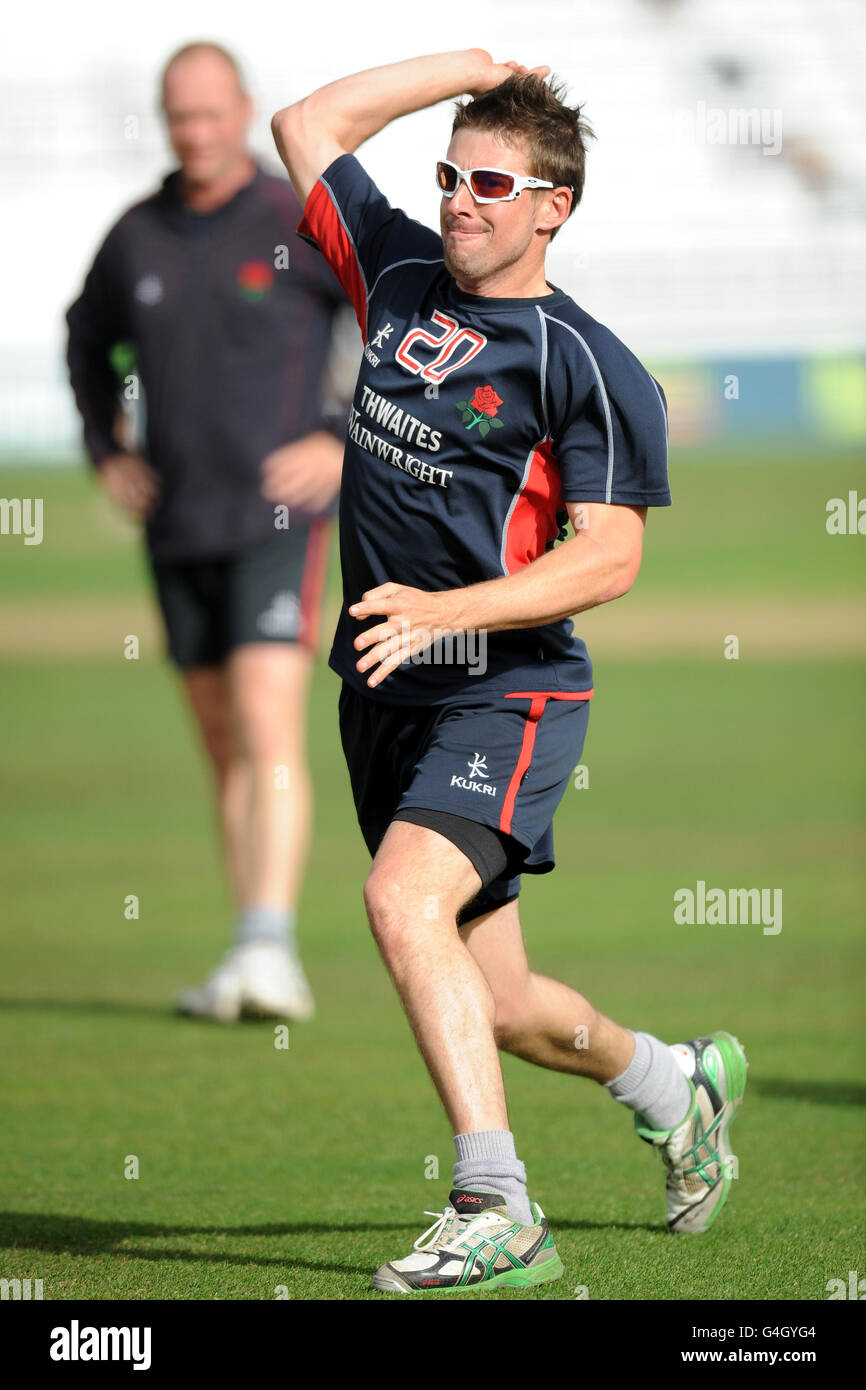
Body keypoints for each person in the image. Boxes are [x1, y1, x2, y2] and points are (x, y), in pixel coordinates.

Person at [271, 48, 748, 1294]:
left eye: (491, 182)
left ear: (554, 208)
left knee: (398, 904)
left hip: (509, 689)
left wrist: (451, 610)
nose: (458, 199)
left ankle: (498, 1207)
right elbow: (306, 119)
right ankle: (672, 1080)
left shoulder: (581, 360)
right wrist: (466, 75)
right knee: (504, 1001)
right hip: (382, 691)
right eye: (449, 175)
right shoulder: (395, 272)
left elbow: (609, 557)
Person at [67, 42, 349, 1023]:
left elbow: (391, 323)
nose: (194, 134)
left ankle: (273, 947)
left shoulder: (291, 220)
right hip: (176, 520)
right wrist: (107, 447)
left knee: (270, 719)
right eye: (177, 117)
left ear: (242, 110)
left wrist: (340, 438)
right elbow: (82, 336)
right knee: (223, 741)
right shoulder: (137, 235)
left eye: (209, 115)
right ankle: (247, 946)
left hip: (279, 516)